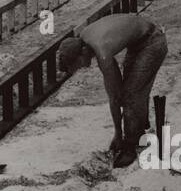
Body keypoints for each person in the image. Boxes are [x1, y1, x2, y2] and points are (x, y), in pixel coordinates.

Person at [57, 15, 168, 167]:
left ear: (82, 52)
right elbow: (114, 92)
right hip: (139, 43)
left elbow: (115, 97)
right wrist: (117, 131)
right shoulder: (84, 38)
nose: (83, 67)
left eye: (79, 64)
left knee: (130, 95)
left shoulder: (101, 50)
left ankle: (130, 147)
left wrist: (118, 134)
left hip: (153, 42)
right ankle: (138, 130)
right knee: (131, 91)